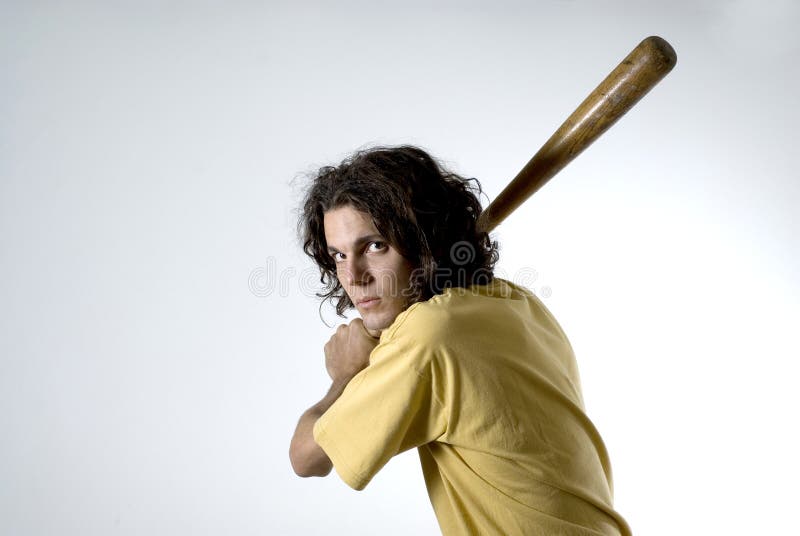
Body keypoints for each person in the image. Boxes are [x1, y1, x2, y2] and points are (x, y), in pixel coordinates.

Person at [289, 145, 631, 535]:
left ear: (423, 239)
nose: (354, 276)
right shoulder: (515, 302)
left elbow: (306, 458)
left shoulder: (427, 337)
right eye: (338, 255)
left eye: (375, 245)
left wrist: (345, 375)